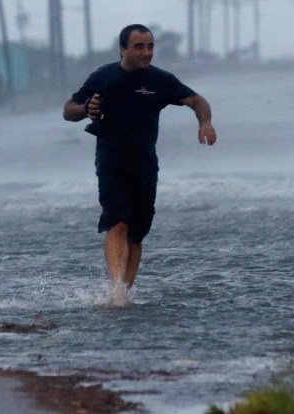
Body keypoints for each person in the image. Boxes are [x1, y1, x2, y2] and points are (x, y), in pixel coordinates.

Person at [63, 23, 216, 305]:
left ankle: (124, 292)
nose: (146, 53)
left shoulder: (160, 80)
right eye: (139, 47)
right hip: (112, 159)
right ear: (123, 49)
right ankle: (117, 292)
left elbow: (197, 100)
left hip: (145, 162)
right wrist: (86, 110)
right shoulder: (104, 76)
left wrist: (205, 122)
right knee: (117, 222)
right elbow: (68, 110)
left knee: (137, 232)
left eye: (150, 46)